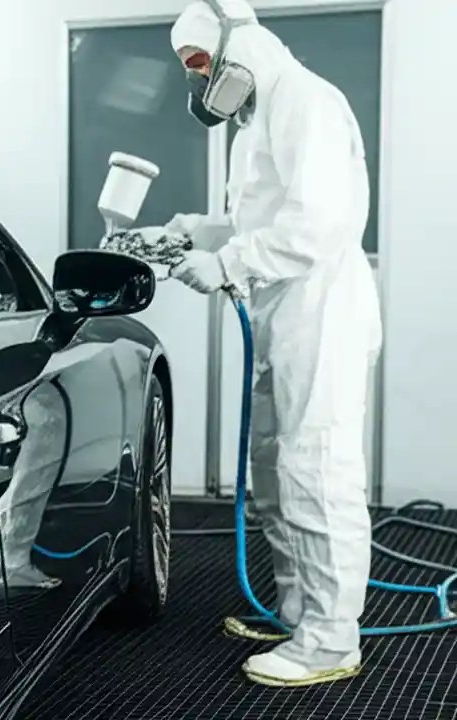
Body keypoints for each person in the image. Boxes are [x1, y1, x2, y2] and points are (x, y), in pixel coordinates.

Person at [157, 0, 383, 687]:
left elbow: (315, 225)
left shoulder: (306, 101)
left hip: (322, 314)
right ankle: (297, 611)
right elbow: (263, 218)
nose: (198, 83)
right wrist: (197, 232)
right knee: (275, 468)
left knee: (315, 469)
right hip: (284, 312)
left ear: (235, 46)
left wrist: (226, 264)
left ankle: (330, 639)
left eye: (199, 64)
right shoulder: (259, 118)